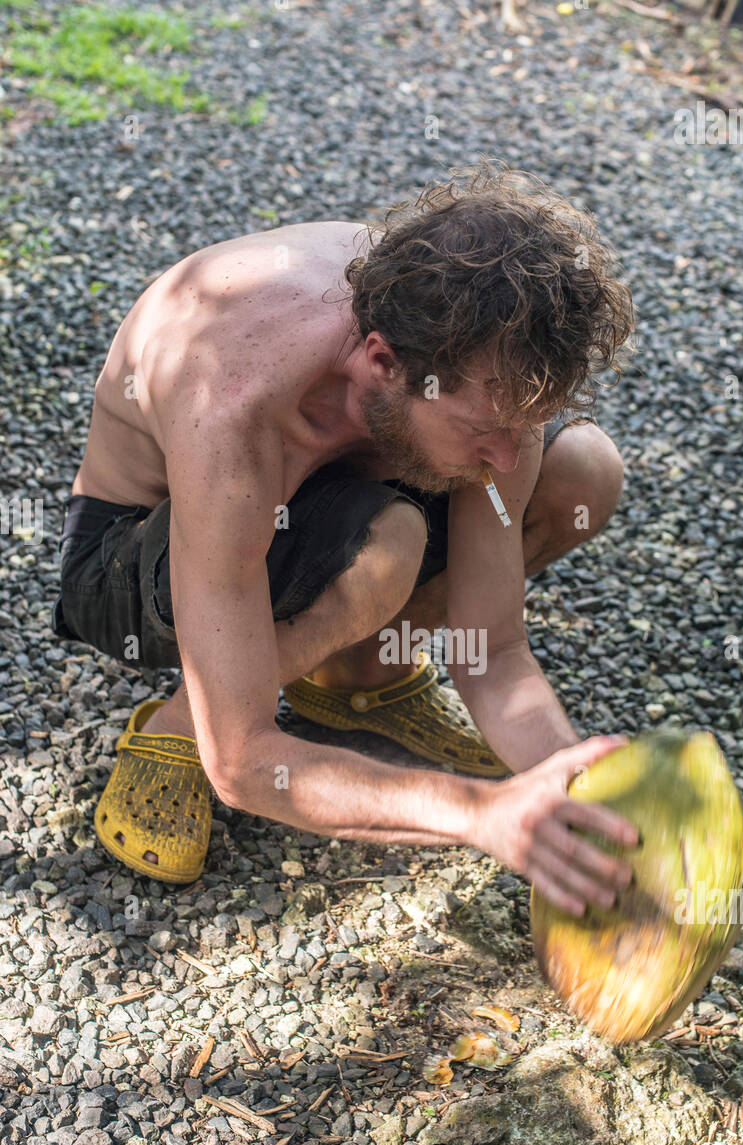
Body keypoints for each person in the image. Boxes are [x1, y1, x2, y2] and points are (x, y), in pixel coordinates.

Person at [52, 162, 639, 915]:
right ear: (383, 360)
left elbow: (490, 649)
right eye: (483, 431)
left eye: (520, 424)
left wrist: (579, 798)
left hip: (326, 509)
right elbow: (246, 762)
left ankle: (350, 674)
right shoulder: (235, 401)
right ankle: (180, 720)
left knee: (582, 470)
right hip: (133, 559)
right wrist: (483, 815)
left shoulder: (477, 371)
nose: (505, 456)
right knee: (385, 545)